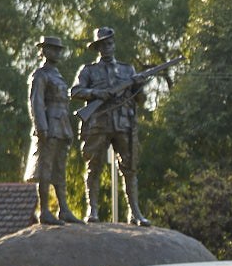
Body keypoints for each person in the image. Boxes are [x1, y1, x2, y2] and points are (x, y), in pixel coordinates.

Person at [71, 27, 150, 225]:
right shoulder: (88, 70)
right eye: (102, 45)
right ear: (97, 48)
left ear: (114, 45)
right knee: (94, 167)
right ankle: (93, 210)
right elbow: (75, 91)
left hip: (123, 123)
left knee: (129, 168)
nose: (107, 48)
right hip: (98, 123)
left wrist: (139, 85)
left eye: (109, 43)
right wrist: (96, 94)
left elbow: (140, 99)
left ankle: (135, 212)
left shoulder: (127, 70)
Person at [25, 35, 81, 225]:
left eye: (58, 50)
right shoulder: (40, 75)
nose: (56, 53)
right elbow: (36, 103)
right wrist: (41, 127)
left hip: (62, 124)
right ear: (43, 51)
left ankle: (64, 209)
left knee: (59, 168)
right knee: (45, 169)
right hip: (49, 125)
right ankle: (45, 211)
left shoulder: (57, 75)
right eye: (52, 49)